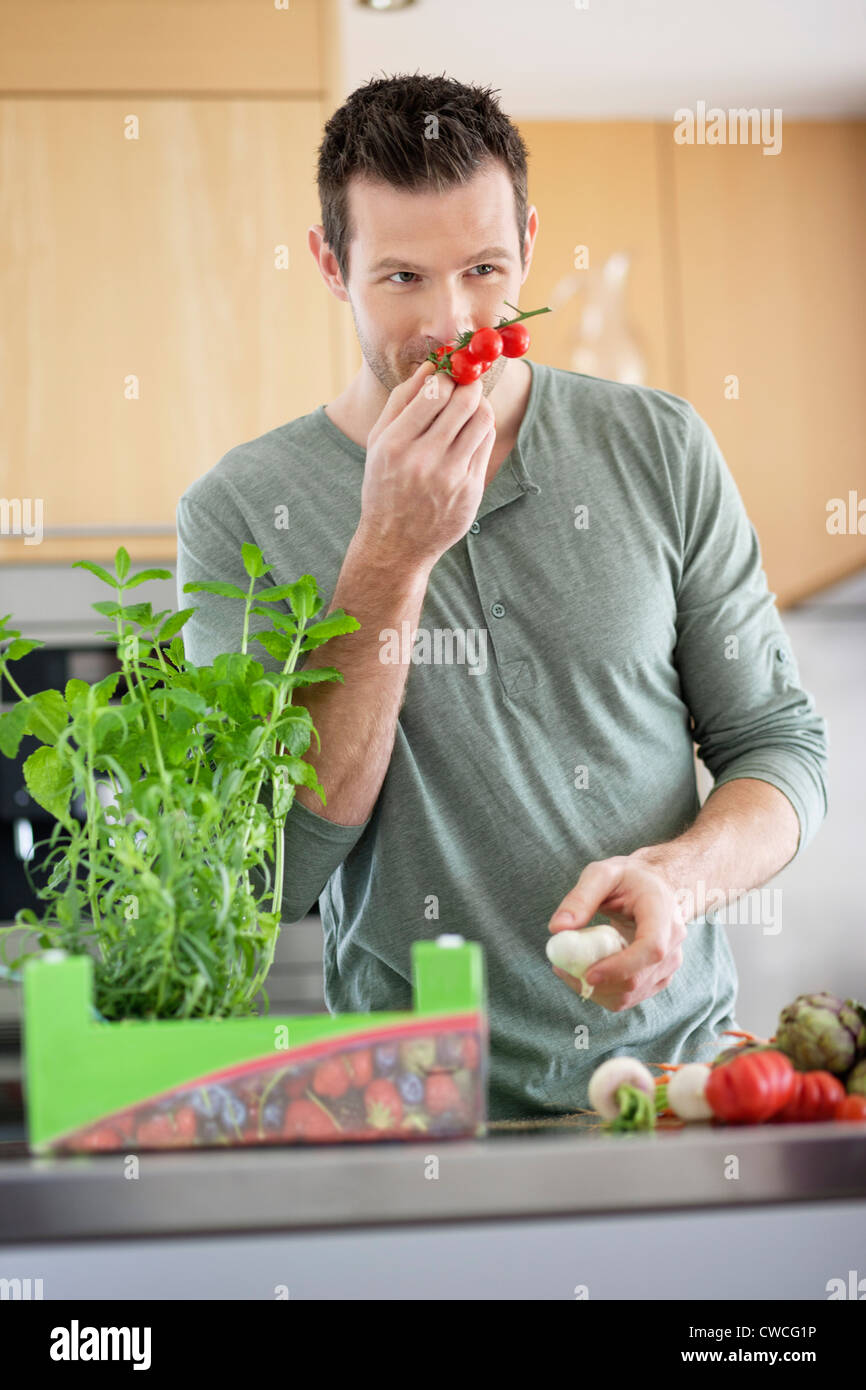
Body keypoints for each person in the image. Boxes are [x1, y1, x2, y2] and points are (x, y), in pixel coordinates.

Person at [176, 74, 829, 1121]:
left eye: (483, 269)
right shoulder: (240, 511)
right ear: (329, 266)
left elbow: (780, 747)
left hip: (682, 1088)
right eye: (400, 277)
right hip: (404, 1108)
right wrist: (388, 554)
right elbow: (269, 871)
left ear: (527, 242)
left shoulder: (658, 446)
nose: (454, 322)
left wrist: (681, 878)